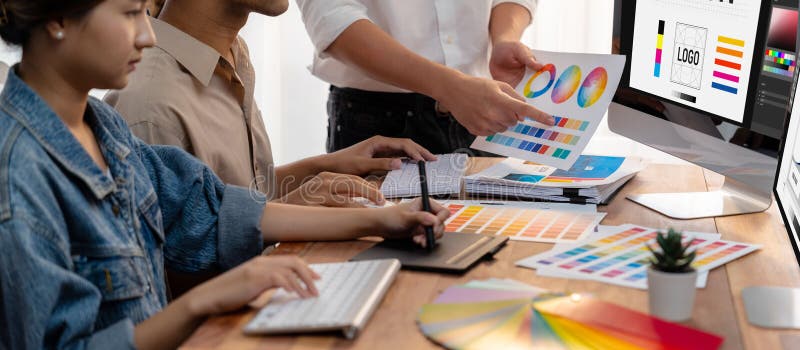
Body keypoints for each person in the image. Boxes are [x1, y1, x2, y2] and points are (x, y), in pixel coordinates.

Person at [0, 0, 449, 348]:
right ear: (58, 19)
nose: (147, 34)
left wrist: (384, 218)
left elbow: (214, 208)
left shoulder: (103, 126)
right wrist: (203, 301)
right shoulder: (17, 178)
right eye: (130, 13)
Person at [106, 0, 437, 208]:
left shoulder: (229, 55)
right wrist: (298, 207)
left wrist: (328, 167)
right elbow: (175, 273)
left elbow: (242, 194)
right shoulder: (152, 106)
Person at [295, 0, 555, 155]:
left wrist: (505, 37)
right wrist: (450, 88)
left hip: (485, 111)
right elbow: (331, 16)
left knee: (497, 229)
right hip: (377, 119)